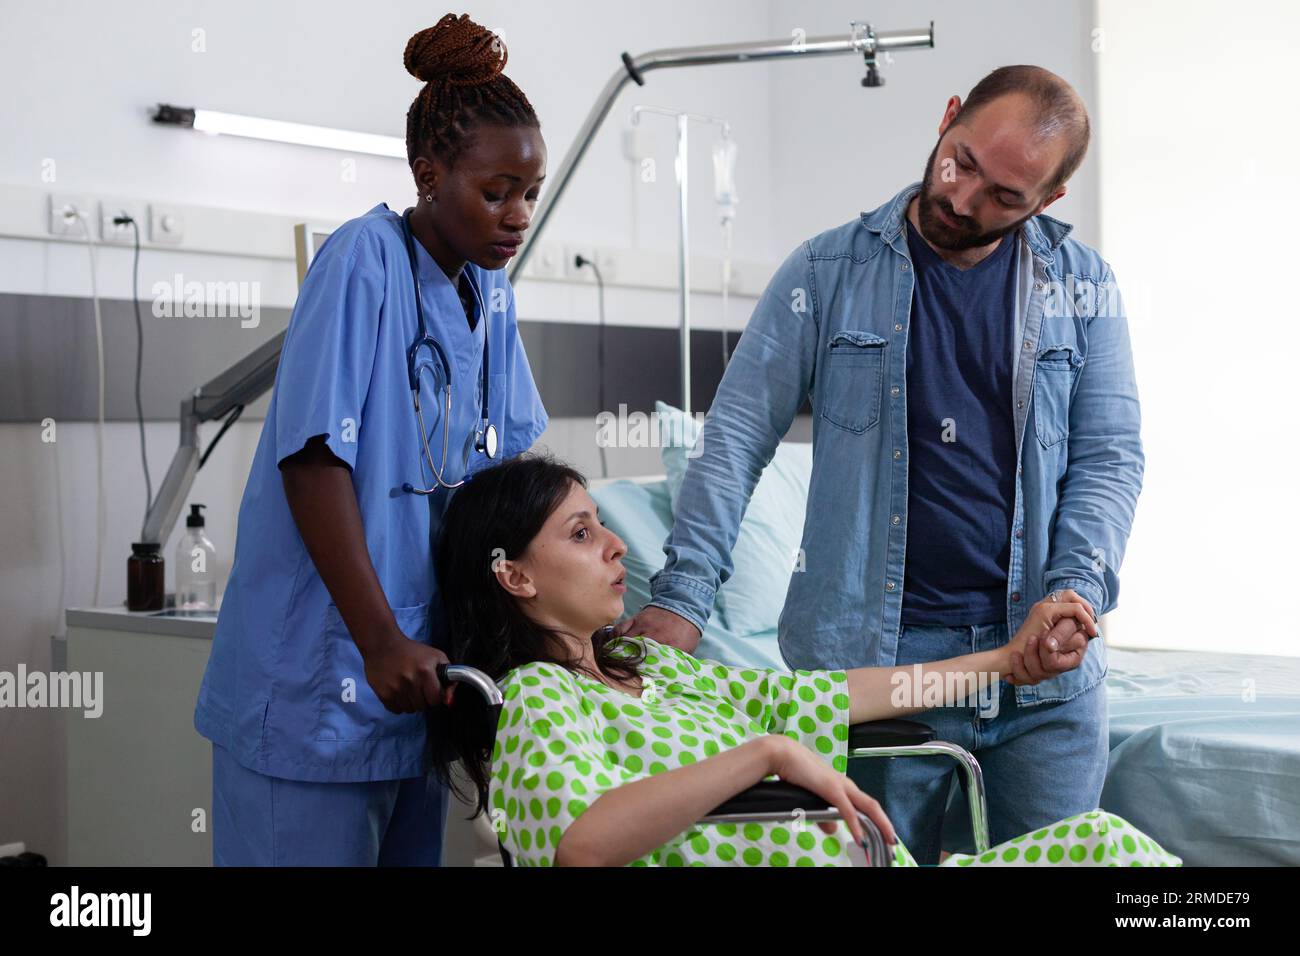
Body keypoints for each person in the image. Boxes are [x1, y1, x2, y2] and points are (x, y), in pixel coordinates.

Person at [617, 65, 1143, 865]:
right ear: (947, 114)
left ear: (1049, 201)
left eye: (1005, 196)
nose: (964, 200)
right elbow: (732, 439)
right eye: (960, 161)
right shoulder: (825, 274)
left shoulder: (1084, 287)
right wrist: (685, 597)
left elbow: (1108, 457)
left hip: (1042, 686)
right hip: (879, 673)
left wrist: (1075, 592)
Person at [428, 454, 1179, 867]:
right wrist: (765, 754)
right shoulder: (537, 699)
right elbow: (581, 846)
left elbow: (840, 695)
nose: (618, 544)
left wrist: (1004, 665)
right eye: (582, 534)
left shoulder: (655, 669)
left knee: (1115, 849)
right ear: (515, 575)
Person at [193, 13, 549, 866]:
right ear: (429, 175)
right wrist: (379, 638)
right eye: (496, 191)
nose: (517, 215)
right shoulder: (361, 260)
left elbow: (504, 481)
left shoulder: (488, 292)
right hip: (324, 679)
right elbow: (314, 461)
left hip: (416, 696)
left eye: (530, 193)